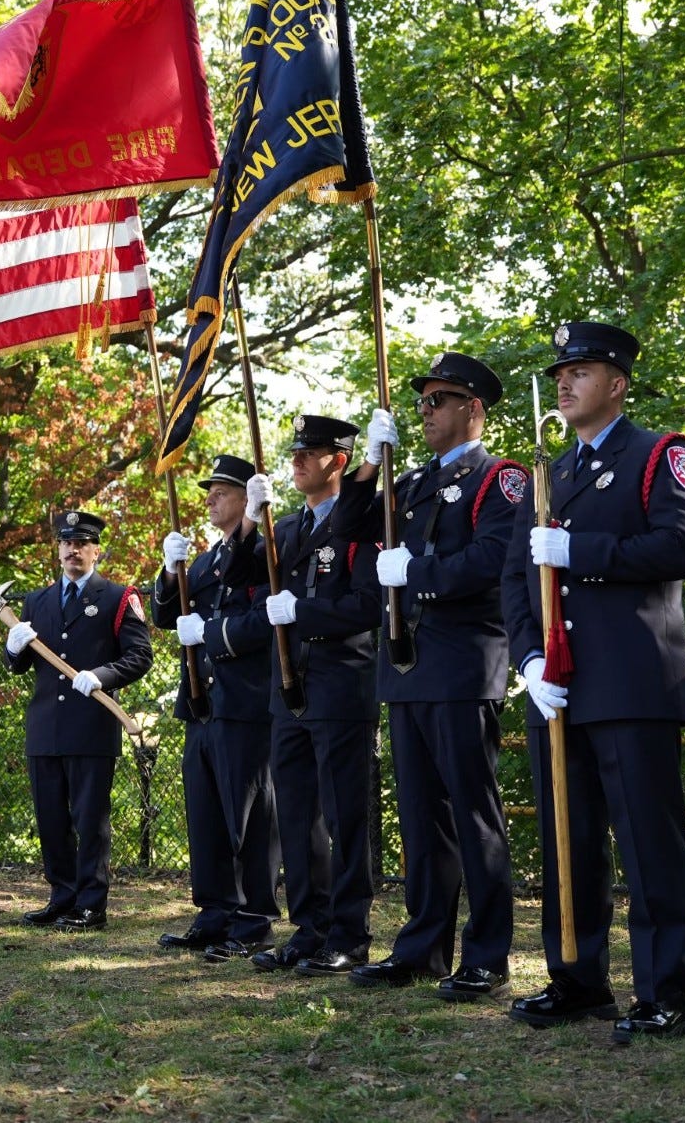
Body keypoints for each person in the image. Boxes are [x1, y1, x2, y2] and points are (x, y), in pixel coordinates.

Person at [502, 321, 685, 1040]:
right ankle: (577, 979)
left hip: (630, 682)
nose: (564, 381)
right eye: (560, 372)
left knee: (649, 844)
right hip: (558, 686)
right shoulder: (549, 474)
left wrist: (578, 550)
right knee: (569, 842)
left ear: (617, 383)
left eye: (581, 371)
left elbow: (681, 546)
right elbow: (514, 579)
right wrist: (527, 661)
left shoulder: (658, 455)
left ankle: (665, 991)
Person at [331, 353, 526, 1000]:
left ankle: (488, 953)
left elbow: (494, 559)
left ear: (474, 407)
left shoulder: (500, 479)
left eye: (439, 399)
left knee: (472, 815)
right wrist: (370, 461)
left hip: (463, 664)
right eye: (421, 401)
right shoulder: (411, 481)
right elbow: (346, 524)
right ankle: (423, 946)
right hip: (408, 667)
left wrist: (414, 572)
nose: (425, 410)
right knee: (421, 818)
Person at [231, 415, 381, 978]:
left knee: (343, 816)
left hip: (340, 683)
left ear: (338, 460)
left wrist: (305, 612)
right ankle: (310, 927)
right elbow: (237, 573)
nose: (295, 461)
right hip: (288, 687)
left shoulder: (361, 525)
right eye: (293, 452)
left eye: (308, 453)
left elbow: (369, 605)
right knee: (296, 815)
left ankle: (350, 933)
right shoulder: (287, 527)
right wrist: (250, 518)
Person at [151, 455, 279, 962]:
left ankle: (254, 920)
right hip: (201, 703)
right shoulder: (205, 560)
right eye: (208, 492)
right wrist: (168, 570)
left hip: (245, 701)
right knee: (205, 816)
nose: (208, 499)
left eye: (220, 491)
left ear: (246, 498)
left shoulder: (266, 550)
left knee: (251, 818)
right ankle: (215, 912)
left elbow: (267, 617)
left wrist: (211, 634)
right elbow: (165, 615)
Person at [3, 510, 154, 931]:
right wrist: (14, 649)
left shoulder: (119, 597)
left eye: (82, 543)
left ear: (96, 551)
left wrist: (102, 675)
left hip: (92, 726)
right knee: (50, 819)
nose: (73, 550)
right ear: (59, 550)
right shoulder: (37, 601)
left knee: (89, 821)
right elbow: (19, 666)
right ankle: (61, 897)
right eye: (67, 543)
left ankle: (91, 904)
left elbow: (140, 655)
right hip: (45, 727)